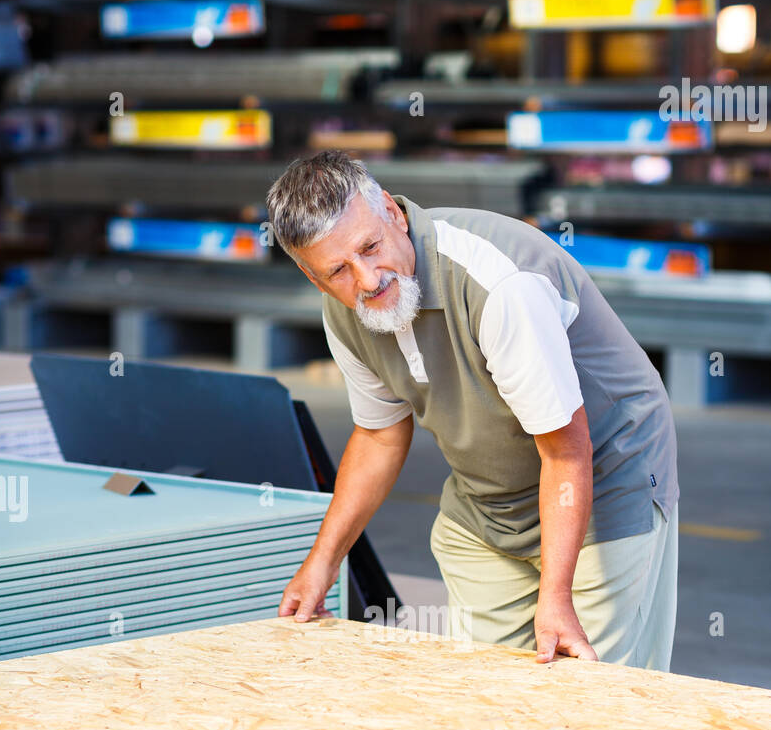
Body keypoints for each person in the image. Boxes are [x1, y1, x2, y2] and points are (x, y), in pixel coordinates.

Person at [267, 150, 679, 667]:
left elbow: (567, 453)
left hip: (604, 480)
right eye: (339, 270)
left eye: (371, 247)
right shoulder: (347, 311)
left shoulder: (500, 285)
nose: (368, 279)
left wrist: (556, 600)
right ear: (314, 277)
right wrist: (322, 564)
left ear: (394, 214)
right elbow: (378, 436)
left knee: (590, 701)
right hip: (491, 504)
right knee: (489, 692)